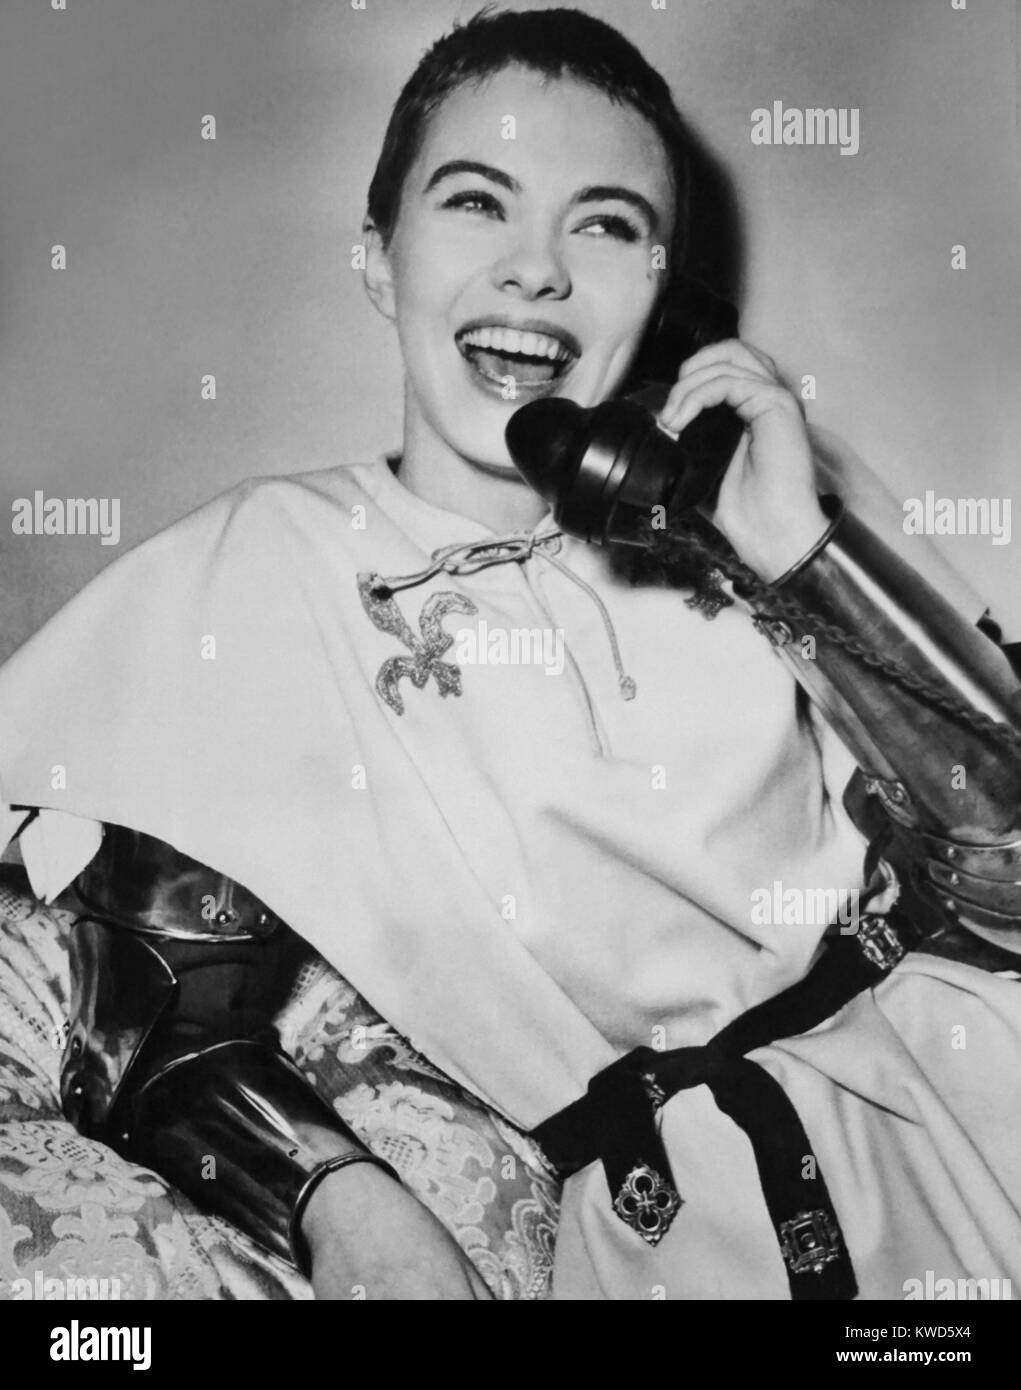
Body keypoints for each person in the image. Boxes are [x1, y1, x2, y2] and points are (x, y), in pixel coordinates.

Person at [1, 7, 1019, 1301]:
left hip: (976, 1091)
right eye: (476, 202)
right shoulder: (256, 569)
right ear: (378, 256)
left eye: (605, 225)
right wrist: (337, 1194)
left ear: (659, 294)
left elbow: (1009, 867)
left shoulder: (764, 506)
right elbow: (124, 991)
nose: (538, 270)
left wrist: (796, 566)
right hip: (678, 1221)